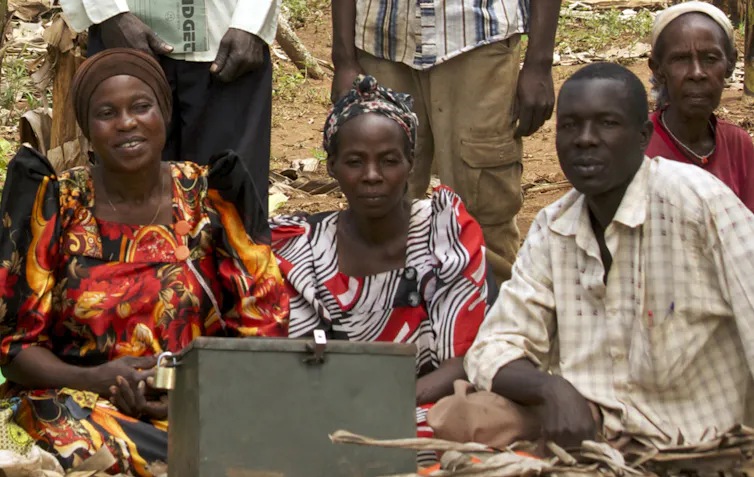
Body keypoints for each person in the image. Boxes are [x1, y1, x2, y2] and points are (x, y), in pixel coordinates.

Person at [0, 49, 289, 475]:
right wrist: (97, 380)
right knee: (52, 427)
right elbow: (14, 347)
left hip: (202, 398)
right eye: (106, 113)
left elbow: (262, 326)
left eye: (141, 107)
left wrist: (186, 389)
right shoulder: (57, 203)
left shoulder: (210, 195)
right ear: (87, 129)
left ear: (163, 114)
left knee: (268, 435)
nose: (127, 123)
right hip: (80, 404)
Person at [464, 63, 754, 450]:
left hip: (699, 448)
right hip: (596, 440)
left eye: (607, 124)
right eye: (569, 126)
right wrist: (551, 389)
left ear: (643, 136)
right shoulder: (555, 227)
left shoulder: (698, 203)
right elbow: (492, 346)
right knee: (462, 416)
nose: (585, 140)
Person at [270, 76, 491, 465]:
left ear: (410, 163)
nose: (372, 175)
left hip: (424, 407)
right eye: (355, 161)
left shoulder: (444, 233)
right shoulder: (301, 249)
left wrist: (385, 405)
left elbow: (462, 361)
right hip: (323, 412)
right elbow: (295, 363)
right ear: (332, 166)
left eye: (389, 160)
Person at [330, 0, 561, 284]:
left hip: (477, 38)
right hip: (381, 38)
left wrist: (539, 60)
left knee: (483, 193)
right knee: (381, 198)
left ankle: (496, 312)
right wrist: (343, 58)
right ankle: (387, 316)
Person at [59, 0, 280, 209]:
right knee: (130, 212)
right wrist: (109, 14)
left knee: (230, 209)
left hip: (226, 40)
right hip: (122, 35)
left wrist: (251, 22)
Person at [647, 2, 754, 210]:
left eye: (710, 59)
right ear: (658, 69)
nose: (697, 73)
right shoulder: (636, 147)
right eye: (681, 59)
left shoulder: (737, 144)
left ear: (730, 64)